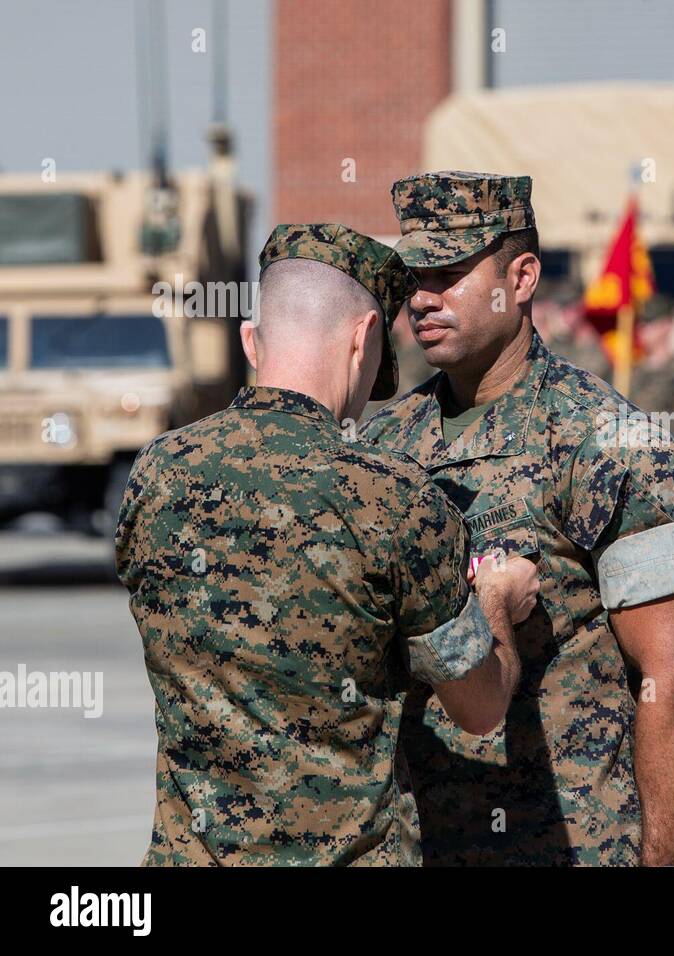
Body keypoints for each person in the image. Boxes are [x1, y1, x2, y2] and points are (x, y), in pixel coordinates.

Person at [116, 223, 537, 865]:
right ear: (365, 338)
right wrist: (499, 605)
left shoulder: (156, 474)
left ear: (251, 341)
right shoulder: (394, 497)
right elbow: (479, 708)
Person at [364, 171, 674, 866]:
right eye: (414, 277)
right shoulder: (384, 446)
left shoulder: (610, 442)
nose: (424, 299)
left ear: (521, 277)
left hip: (564, 845)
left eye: (450, 272)